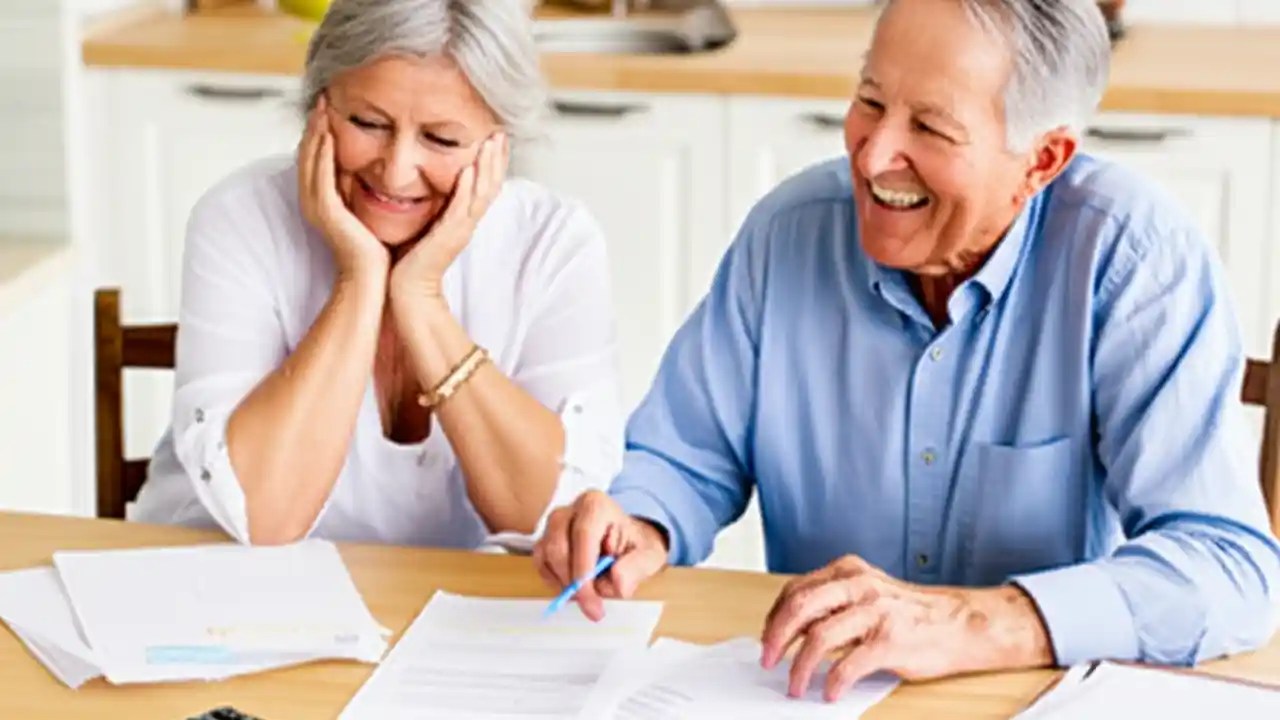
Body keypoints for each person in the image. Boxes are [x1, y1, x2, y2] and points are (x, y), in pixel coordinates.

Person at [534, 0, 1280, 702]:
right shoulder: (788, 233)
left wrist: (969, 623)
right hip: (815, 697)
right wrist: (637, 521)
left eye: (930, 127)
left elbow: (1227, 569)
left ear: (1042, 160)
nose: (873, 153)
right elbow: (683, 458)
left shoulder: (1133, 259)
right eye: (869, 100)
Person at [130, 0, 623, 549]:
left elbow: (538, 517)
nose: (395, 170)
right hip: (217, 581)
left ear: (498, 144)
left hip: (440, 607)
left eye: (441, 139)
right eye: (368, 123)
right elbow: (265, 521)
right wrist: (358, 280)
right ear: (319, 106)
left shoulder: (553, 243)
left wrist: (421, 297)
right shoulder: (240, 218)